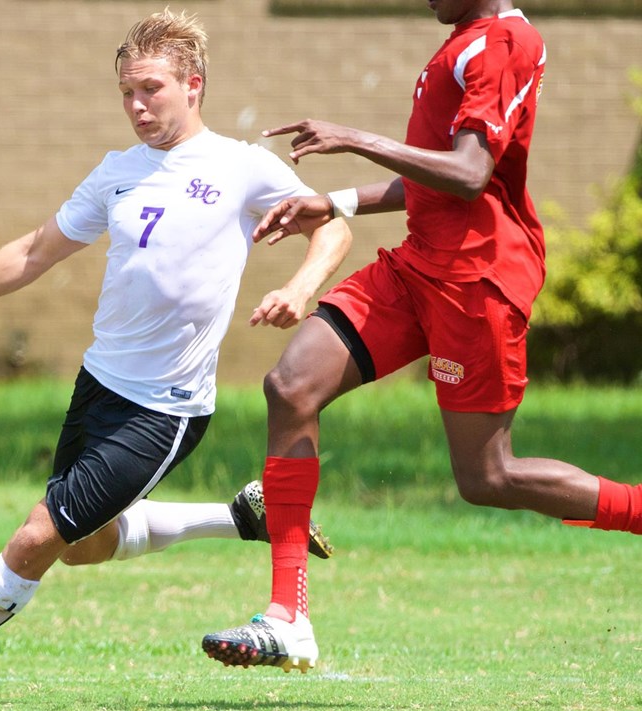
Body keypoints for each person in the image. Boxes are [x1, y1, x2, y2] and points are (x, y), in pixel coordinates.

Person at [0, 8, 351, 671]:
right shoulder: (117, 171)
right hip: (98, 384)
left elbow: (331, 225)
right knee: (79, 543)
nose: (137, 106)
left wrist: (300, 288)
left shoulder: (242, 167)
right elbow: (34, 250)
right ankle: (241, 516)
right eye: (127, 93)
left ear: (193, 84)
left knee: (37, 535)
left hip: (164, 409)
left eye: (151, 90)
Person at [201, 0, 641, 674]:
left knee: (487, 477)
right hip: (417, 267)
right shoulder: (465, 40)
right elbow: (434, 182)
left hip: (476, 282)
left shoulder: (504, 42)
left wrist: (351, 135)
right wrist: (337, 201)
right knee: (291, 386)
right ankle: (288, 617)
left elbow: (468, 175)